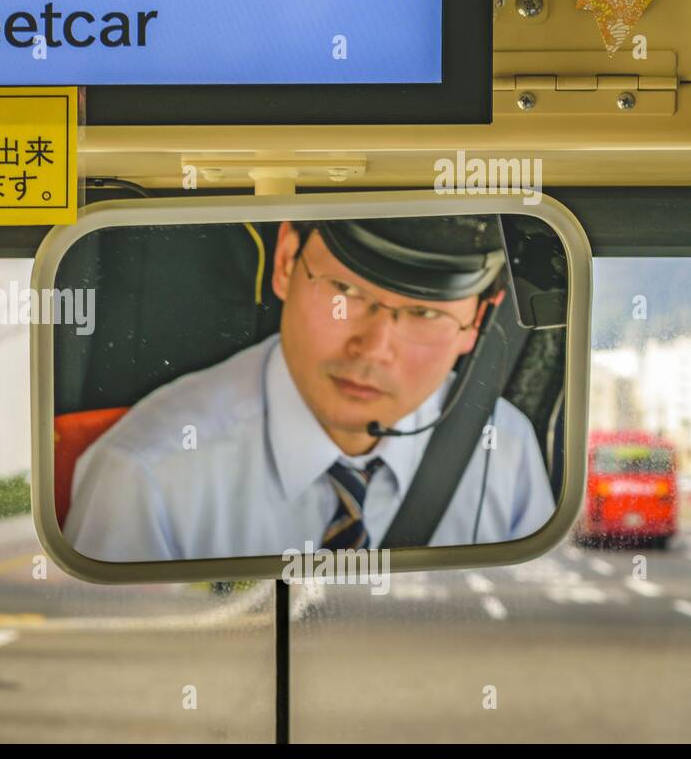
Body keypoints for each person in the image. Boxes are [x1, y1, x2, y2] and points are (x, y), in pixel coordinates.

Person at [63, 217, 557, 562]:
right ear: (284, 261)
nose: (374, 348)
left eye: (425, 313)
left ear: (478, 322)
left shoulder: (503, 452)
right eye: (346, 292)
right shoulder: (146, 477)